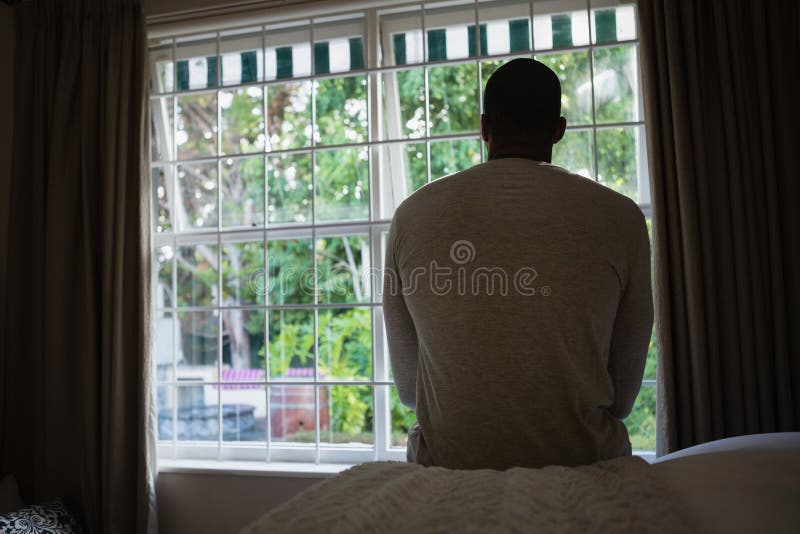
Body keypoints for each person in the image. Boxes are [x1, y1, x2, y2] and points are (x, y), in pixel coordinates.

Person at [382, 58, 653, 470]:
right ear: (559, 130)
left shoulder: (412, 215)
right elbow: (624, 396)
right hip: (584, 465)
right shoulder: (621, 217)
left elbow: (408, 389)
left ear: (485, 127)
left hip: (447, 469)